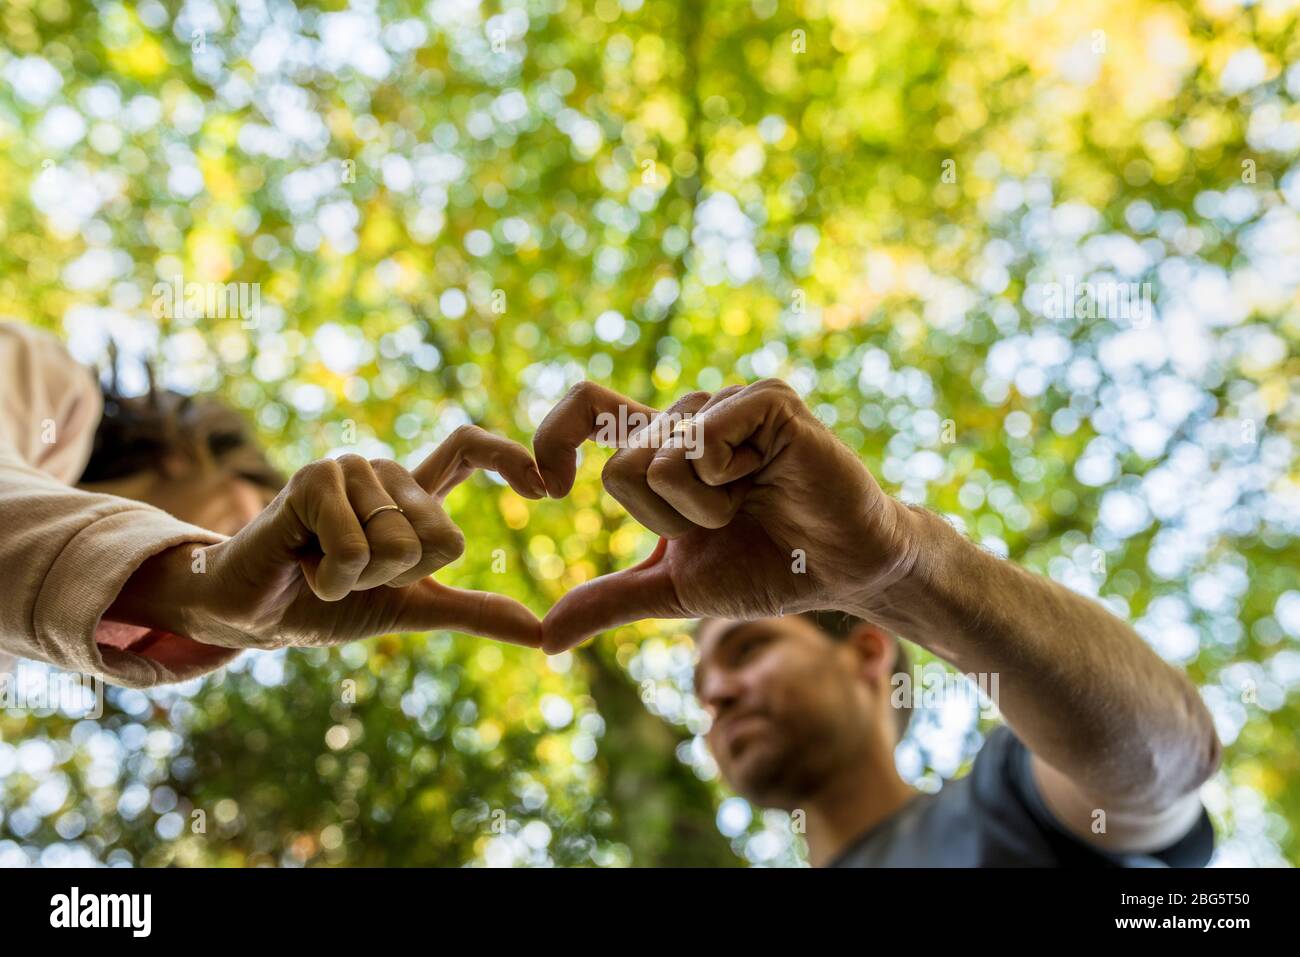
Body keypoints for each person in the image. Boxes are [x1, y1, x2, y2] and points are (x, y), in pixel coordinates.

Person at [531, 380, 1222, 866]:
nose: (715, 694)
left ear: (867, 654)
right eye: (700, 686)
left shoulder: (1006, 808)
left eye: (747, 648)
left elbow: (1166, 759)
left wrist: (900, 569)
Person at [0, 321, 542, 689]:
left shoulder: (24, 644)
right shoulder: (53, 383)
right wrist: (192, 585)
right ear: (186, 450)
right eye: (262, 508)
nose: (247, 541)